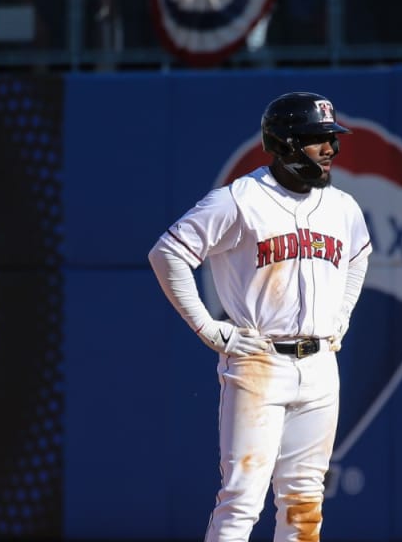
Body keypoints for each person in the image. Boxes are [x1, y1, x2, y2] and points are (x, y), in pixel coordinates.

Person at [148, 92, 373, 542]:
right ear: (286, 143)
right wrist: (210, 329)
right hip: (259, 361)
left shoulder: (342, 207)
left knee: (305, 500)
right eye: (317, 138)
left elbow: (358, 257)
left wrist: (342, 314)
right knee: (242, 499)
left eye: (332, 139)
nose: (330, 149)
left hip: (320, 365)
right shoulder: (239, 199)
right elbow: (167, 253)